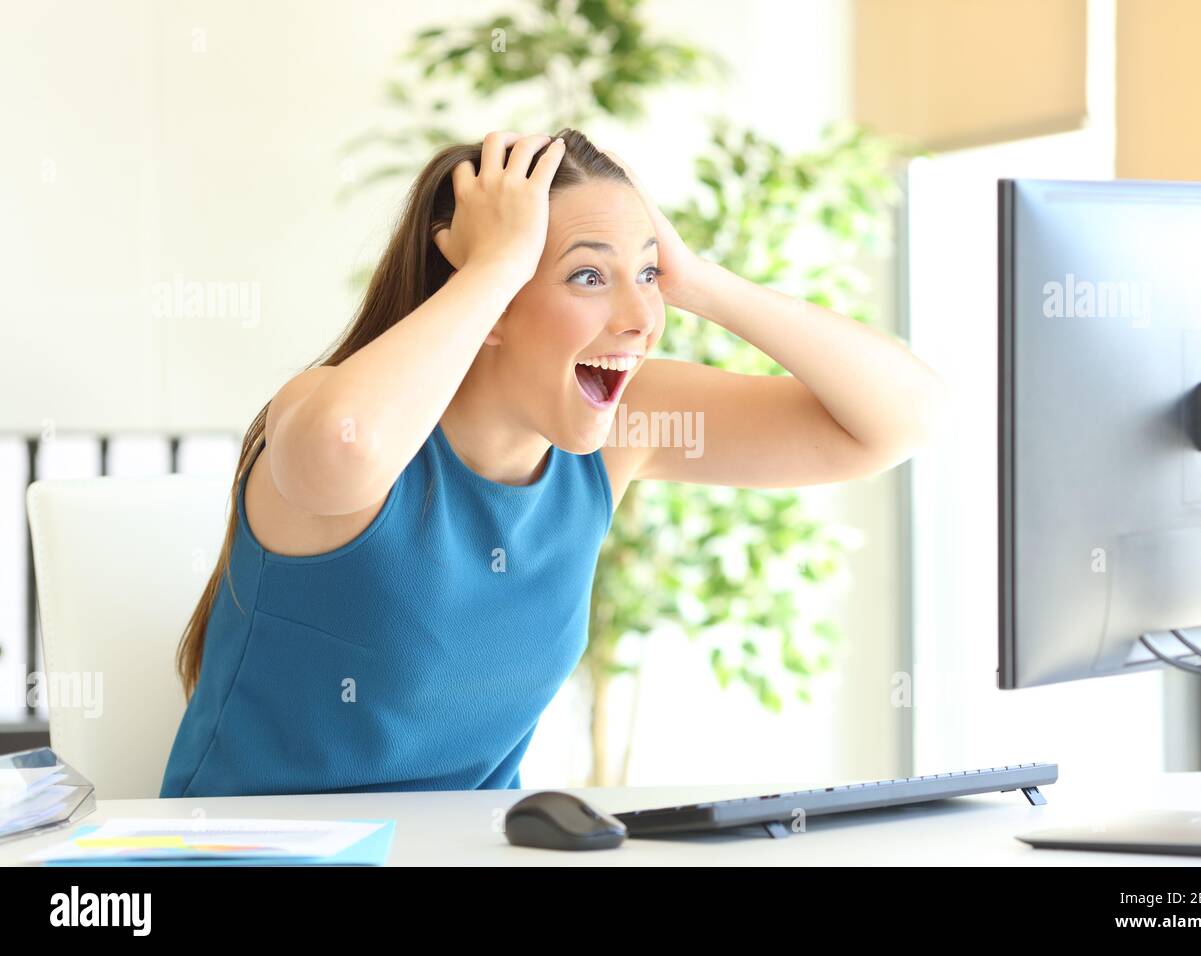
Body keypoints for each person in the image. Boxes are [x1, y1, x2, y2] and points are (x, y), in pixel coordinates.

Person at [159, 128, 945, 798]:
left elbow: (899, 422)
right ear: (486, 299)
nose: (641, 318)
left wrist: (701, 281)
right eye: (587, 276)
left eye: (646, 275)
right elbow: (345, 450)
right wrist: (495, 268)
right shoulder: (332, 414)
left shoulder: (621, 426)